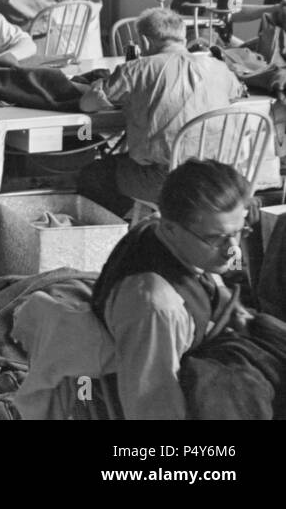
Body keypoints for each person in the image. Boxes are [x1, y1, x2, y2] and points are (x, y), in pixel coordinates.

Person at [91, 160, 252, 419]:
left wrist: (226, 303)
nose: (233, 250)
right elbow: (153, 408)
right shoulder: (157, 308)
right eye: (216, 238)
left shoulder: (159, 228)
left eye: (239, 231)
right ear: (170, 228)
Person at [77, 7, 244, 217]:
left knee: (92, 174)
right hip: (219, 177)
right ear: (183, 38)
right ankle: (154, 222)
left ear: (145, 42)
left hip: (168, 180)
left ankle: (123, 237)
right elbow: (237, 92)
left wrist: (101, 86)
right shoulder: (219, 68)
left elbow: (87, 105)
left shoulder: (137, 69)